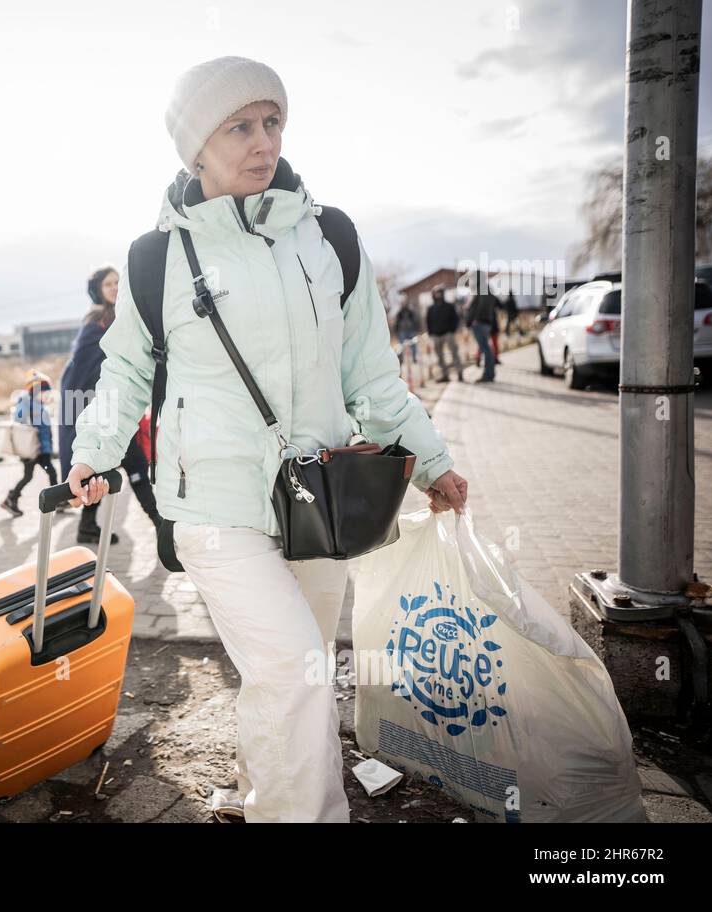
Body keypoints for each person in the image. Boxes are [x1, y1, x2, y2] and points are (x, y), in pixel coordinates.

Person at [65, 57, 469, 823]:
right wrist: (95, 452)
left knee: (294, 674)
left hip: (320, 499)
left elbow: (373, 377)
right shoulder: (157, 257)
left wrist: (433, 463)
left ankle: (259, 791)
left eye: (273, 121)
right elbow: (122, 370)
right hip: (215, 503)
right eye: (239, 126)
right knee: (295, 672)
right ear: (195, 149)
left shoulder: (332, 239)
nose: (264, 142)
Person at [58, 266, 161, 545]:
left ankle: (89, 526)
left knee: (111, 469)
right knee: (130, 464)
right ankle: (161, 527)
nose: (115, 288)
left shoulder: (123, 316)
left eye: (118, 282)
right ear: (98, 291)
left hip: (116, 408)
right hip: (104, 411)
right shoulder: (96, 322)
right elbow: (82, 372)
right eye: (108, 285)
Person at [0, 371, 58, 516]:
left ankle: (11, 498)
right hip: (34, 450)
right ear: (35, 392)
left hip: (41, 449)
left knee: (29, 476)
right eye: (44, 392)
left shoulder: (39, 405)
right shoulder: (27, 403)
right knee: (50, 472)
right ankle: (57, 500)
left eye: (47, 393)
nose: (47, 396)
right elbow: (19, 419)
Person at [466, 278, 500, 383]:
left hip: (480, 323)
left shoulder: (482, 290)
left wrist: (476, 319)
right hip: (486, 323)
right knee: (486, 349)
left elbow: (481, 306)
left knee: (486, 350)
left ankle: (488, 375)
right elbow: (498, 303)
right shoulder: (488, 291)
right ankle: (489, 374)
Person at [425, 285, 461, 382]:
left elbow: (456, 319)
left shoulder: (449, 306)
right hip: (436, 335)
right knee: (439, 356)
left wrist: (452, 330)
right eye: (436, 293)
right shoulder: (431, 308)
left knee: (454, 353)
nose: (438, 295)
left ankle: (460, 373)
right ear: (433, 294)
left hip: (448, 334)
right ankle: (445, 375)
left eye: (440, 292)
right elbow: (428, 321)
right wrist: (431, 333)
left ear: (443, 293)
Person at [393, 301, 421, 376]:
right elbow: (397, 323)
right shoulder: (399, 313)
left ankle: (414, 358)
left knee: (414, 345)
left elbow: (415, 320)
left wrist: (416, 329)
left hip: (411, 331)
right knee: (401, 347)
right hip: (402, 331)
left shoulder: (411, 312)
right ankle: (401, 360)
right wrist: (396, 332)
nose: (404, 304)